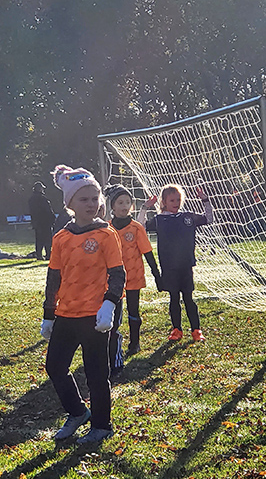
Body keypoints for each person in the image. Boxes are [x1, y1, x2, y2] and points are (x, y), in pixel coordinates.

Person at [41, 165, 125, 445]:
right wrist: (49, 314)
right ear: (70, 204)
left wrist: (109, 305)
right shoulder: (61, 238)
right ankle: (77, 412)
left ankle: (102, 425)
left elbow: (118, 274)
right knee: (55, 367)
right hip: (66, 314)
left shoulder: (106, 235)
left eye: (94, 198)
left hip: (94, 317)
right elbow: (54, 277)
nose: (91, 204)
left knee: (96, 375)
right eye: (83, 199)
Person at [138, 184, 213, 342]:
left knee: (189, 298)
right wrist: (144, 208)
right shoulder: (159, 220)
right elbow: (140, 227)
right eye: (172, 200)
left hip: (186, 265)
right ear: (164, 202)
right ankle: (177, 329)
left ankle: (196, 330)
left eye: (178, 199)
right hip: (169, 267)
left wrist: (205, 200)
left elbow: (208, 219)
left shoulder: (187, 217)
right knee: (174, 298)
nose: (176, 203)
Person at [104, 184, 161, 370]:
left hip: (134, 276)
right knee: (114, 313)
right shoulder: (107, 229)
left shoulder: (136, 228)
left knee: (133, 310)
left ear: (132, 205)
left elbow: (147, 252)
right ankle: (111, 344)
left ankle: (134, 342)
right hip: (113, 280)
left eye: (127, 202)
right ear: (112, 206)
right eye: (120, 202)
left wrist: (157, 274)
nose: (124, 206)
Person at [28, 182, 55, 260]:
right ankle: (48, 255)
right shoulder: (43, 199)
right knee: (47, 239)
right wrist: (52, 219)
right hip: (45, 222)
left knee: (39, 239)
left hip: (37, 223)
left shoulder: (31, 199)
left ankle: (39, 255)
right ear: (39, 189)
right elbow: (48, 210)